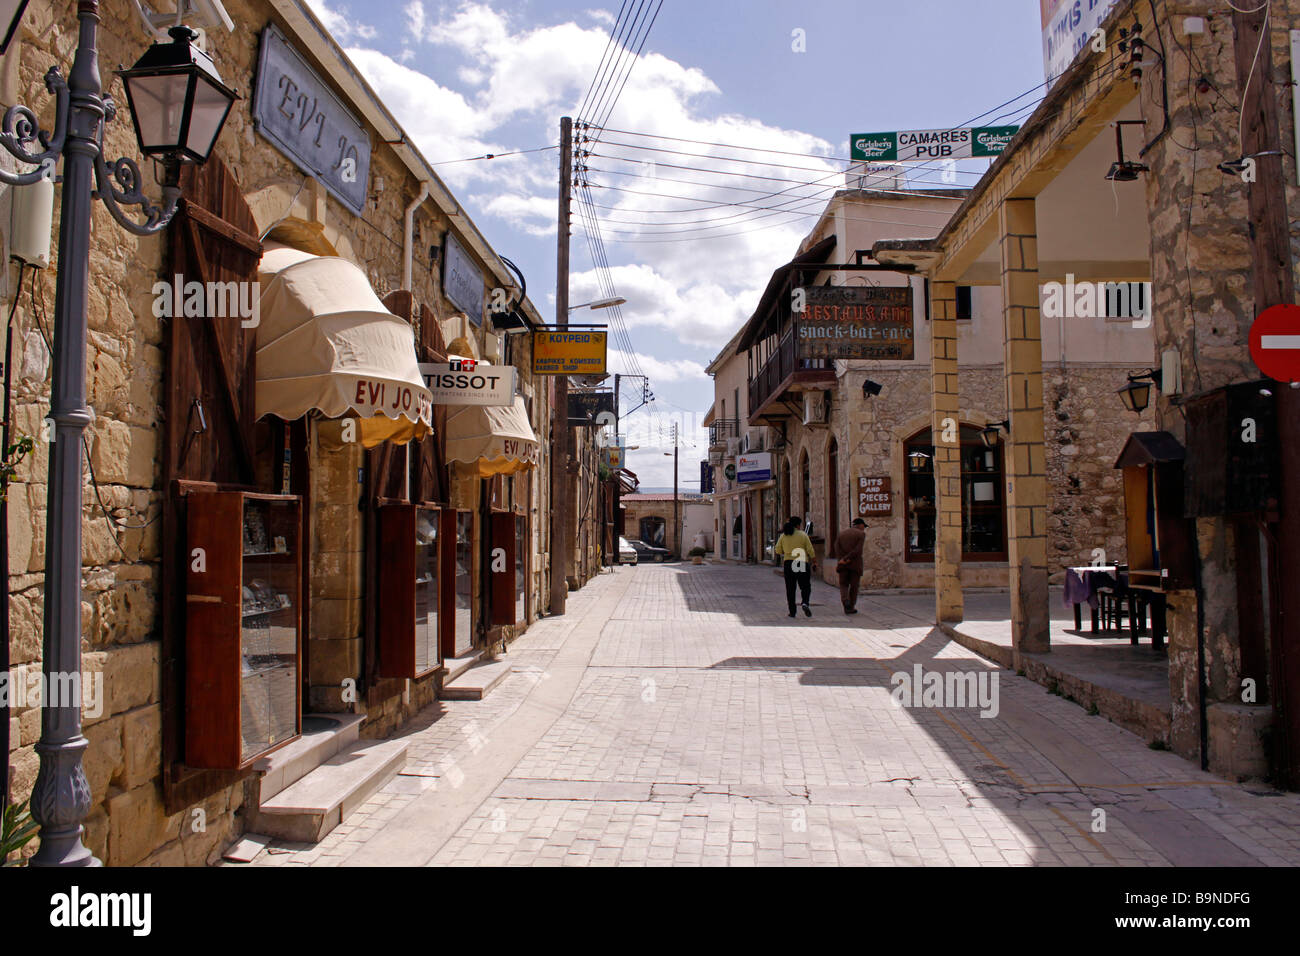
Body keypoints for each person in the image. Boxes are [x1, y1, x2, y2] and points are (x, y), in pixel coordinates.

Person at [774, 518, 815, 618]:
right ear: (797, 525)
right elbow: (810, 549)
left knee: (790, 588)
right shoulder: (803, 535)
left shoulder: (784, 536)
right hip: (801, 561)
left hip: (788, 563)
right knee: (805, 586)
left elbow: (778, 550)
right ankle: (805, 602)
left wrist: (786, 552)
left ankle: (792, 612)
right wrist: (814, 561)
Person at [835, 518, 867, 614]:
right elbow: (858, 550)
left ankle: (845, 601)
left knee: (843, 584)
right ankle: (851, 606)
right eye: (864, 526)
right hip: (854, 564)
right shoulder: (861, 534)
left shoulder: (842, 534)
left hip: (842, 564)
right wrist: (847, 559)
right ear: (860, 525)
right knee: (854, 586)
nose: (864, 528)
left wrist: (842, 559)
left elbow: (836, 547)